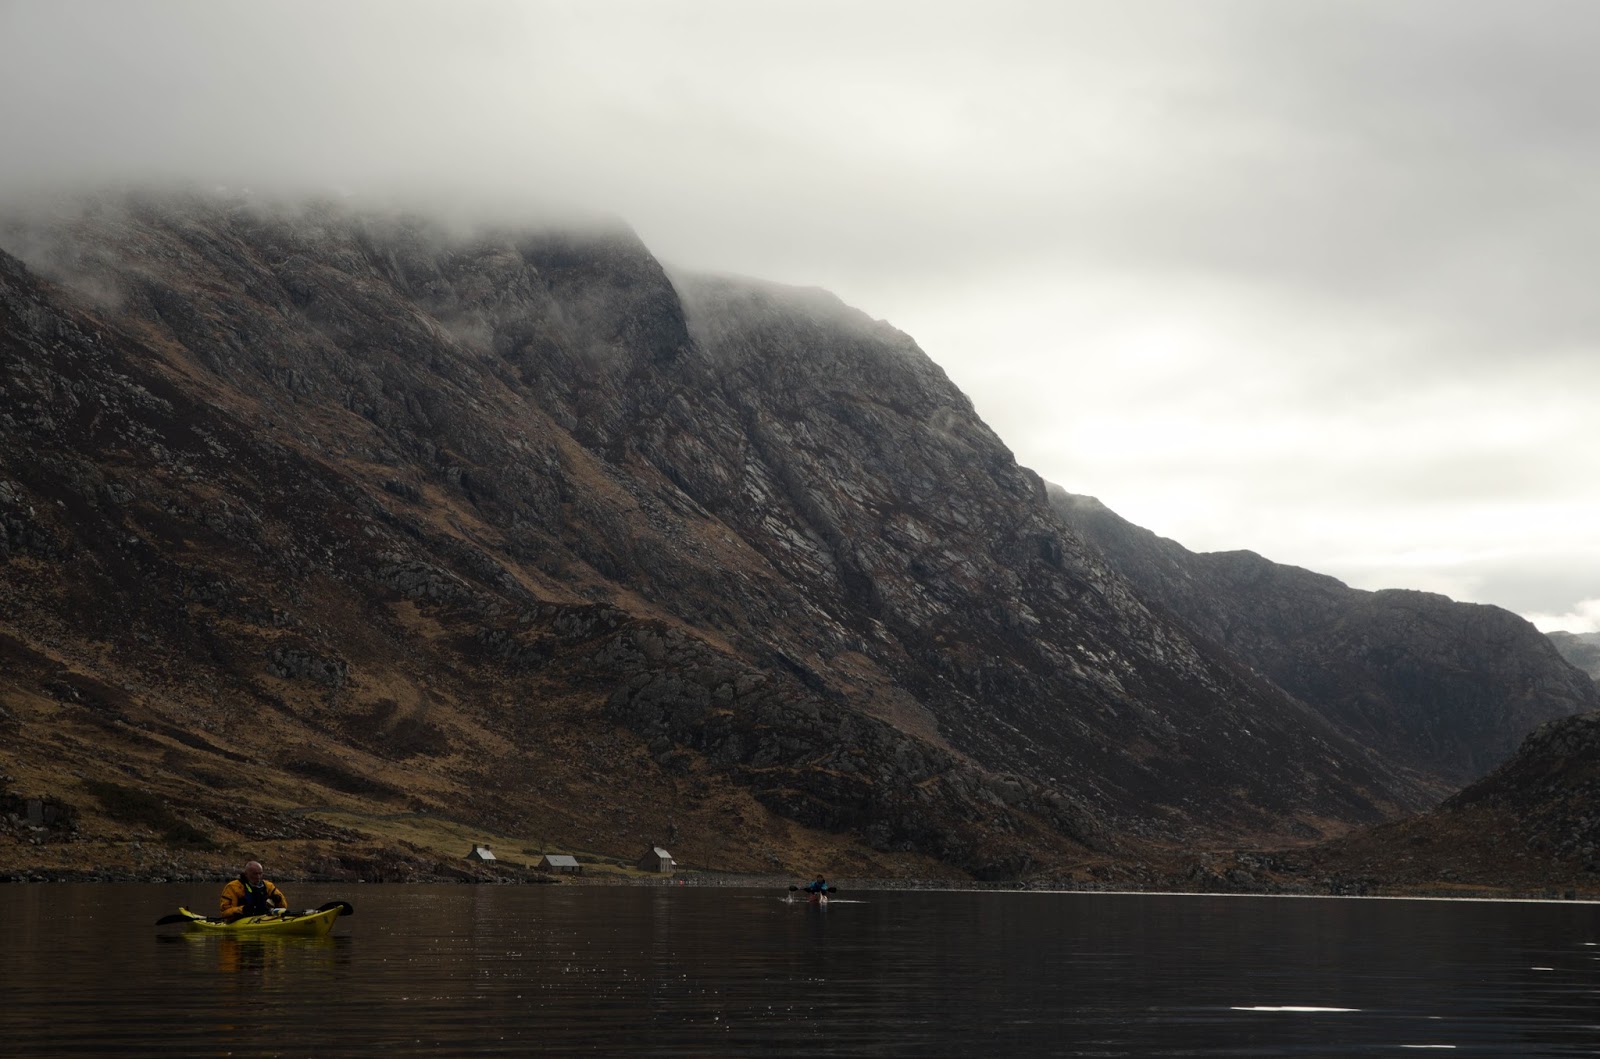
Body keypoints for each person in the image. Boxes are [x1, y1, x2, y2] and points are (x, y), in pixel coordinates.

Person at [220, 860, 288, 917]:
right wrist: (243, 909)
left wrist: (278, 900)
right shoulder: (233, 887)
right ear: (246, 874)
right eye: (255, 874)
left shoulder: (268, 886)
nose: (258, 877)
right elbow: (225, 912)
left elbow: (284, 906)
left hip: (264, 917)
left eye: (260, 874)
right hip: (241, 919)